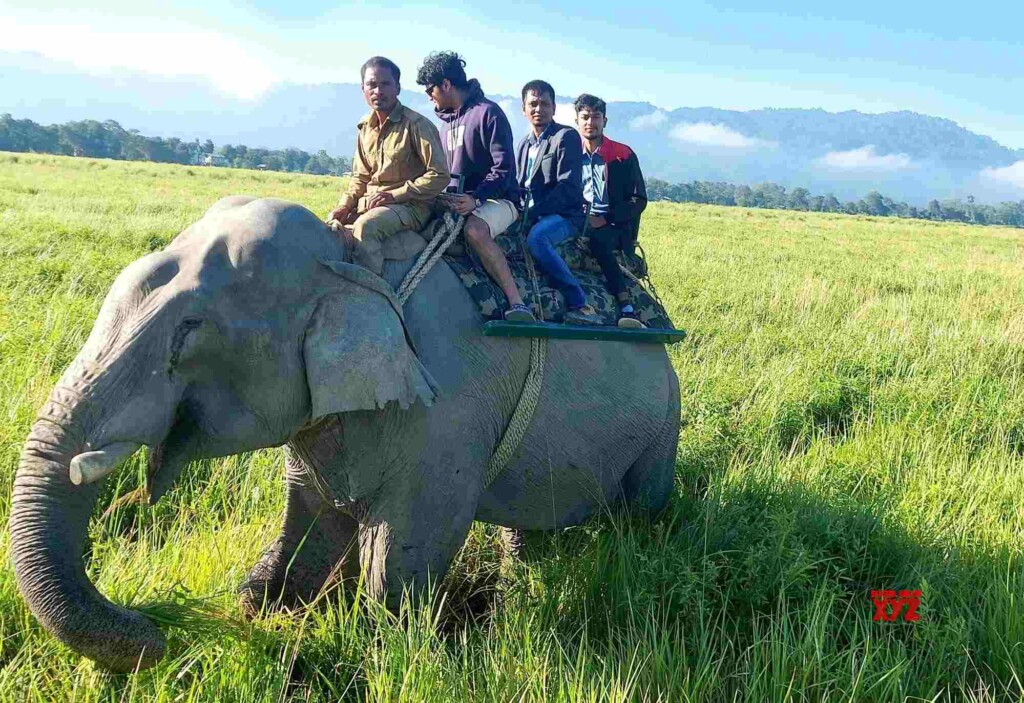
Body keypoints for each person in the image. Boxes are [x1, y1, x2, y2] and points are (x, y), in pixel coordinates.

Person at [416, 51, 534, 322]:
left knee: (476, 231)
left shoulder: (488, 114)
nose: (428, 96)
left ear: (446, 84)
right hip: (459, 200)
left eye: (430, 88)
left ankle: (516, 302)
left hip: (500, 201)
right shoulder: (445, 126)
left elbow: (503, 170)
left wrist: (475, 198)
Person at [326, 56, 449, 276]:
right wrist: (344, 206)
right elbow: (360, 177)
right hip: (371, 204)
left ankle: (370, 295)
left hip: (412, 207)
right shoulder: (365, 128)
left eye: (385, 84)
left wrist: (395, 195)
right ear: (362, 88)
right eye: (372, 85)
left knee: (367, 228)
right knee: (328, 228)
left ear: (398, 88)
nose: (378, 91)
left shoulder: (417, 125)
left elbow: (440, 175)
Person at [515, 80, 599, 325]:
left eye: (544, 104)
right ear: (523, 109)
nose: (538, 109)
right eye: (532, 104)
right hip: (529, 211)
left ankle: (579, 302)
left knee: (537, 239)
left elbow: (568, 187)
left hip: (565, 215)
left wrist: (533, 213)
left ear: (554, 108)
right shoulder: (523, 145)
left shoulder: (565, 137)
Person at [574, 94, 649, 328]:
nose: (590, 122)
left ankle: (625, 303)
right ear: (577, 120)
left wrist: (606, 219)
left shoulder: (622, 154)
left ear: (605, 121)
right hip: (577, 219)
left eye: (596, 117)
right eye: (585, 117)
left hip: (615, 225)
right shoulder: (570, 154)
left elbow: (639, 199)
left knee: (599, 242)